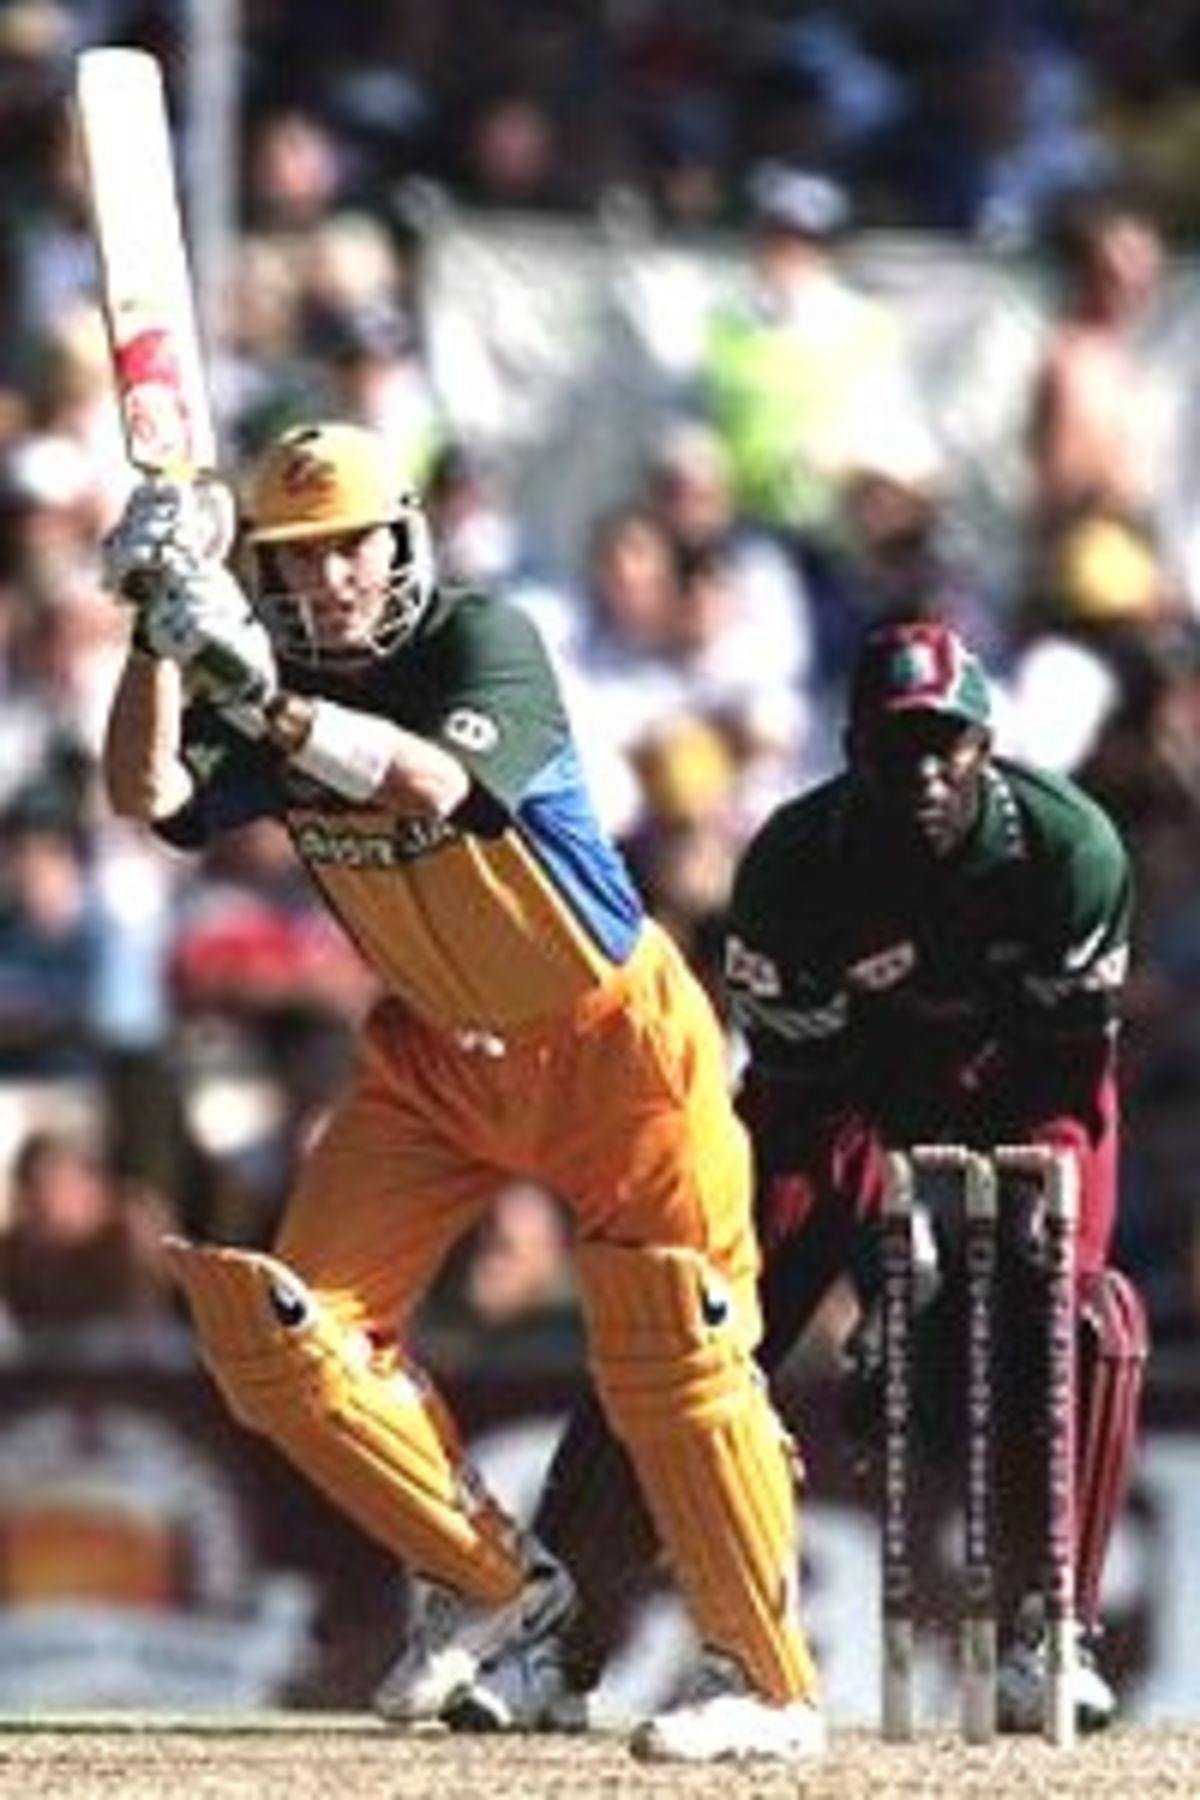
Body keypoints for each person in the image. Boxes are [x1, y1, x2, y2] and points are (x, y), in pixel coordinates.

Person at [96, 420, 825, 1764]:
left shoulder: (483, 645)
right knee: (283, 1334)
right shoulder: (258, 666)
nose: (327, 585)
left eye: (349, 551)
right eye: (296, 561)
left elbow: (436, 782)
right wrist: (152, 627)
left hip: (617, 1042)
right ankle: (494, 1585)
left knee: (678, 1349)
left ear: (405, 540)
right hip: (437, 1059)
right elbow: (142, 790)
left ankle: (769, 1690)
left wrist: (259, 699)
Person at [463, 617, 1148, 1737]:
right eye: (897, 748)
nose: (924, 774)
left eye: (947, 745)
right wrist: (888, 1266)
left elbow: (1066, 1073)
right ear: (852, 751)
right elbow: (806, 1083)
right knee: (683, 1324)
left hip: (1025, 1095)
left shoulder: (1072, 853)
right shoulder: (793, 865)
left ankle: (1047, 1635)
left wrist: (994, 1250)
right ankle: (556, 1640)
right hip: (835, 1098)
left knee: (1089, 1318)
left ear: (986, 744)